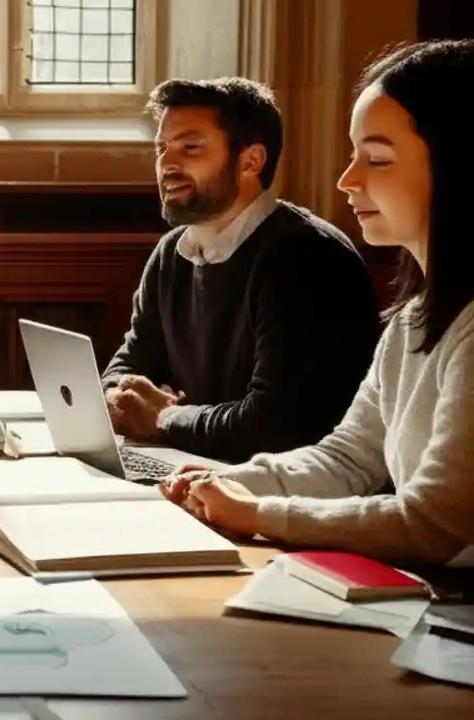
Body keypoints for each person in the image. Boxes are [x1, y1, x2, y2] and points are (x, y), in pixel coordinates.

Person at [163, 39, 474, 566]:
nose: (347, 180)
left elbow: (432, 524)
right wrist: (218, 482)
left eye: (375, 158)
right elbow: (347, 459)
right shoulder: (411, 321)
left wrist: (259, 514)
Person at [101, 77, 381, 463]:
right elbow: (132, 359)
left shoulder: (307, 257)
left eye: (191, 148)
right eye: (162, 148)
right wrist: (119, 396)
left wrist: (164, 418)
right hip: (199, 469)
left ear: (251, 161)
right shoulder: (171, 253)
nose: (167, 163)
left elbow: (274, 425)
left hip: (285, 496)